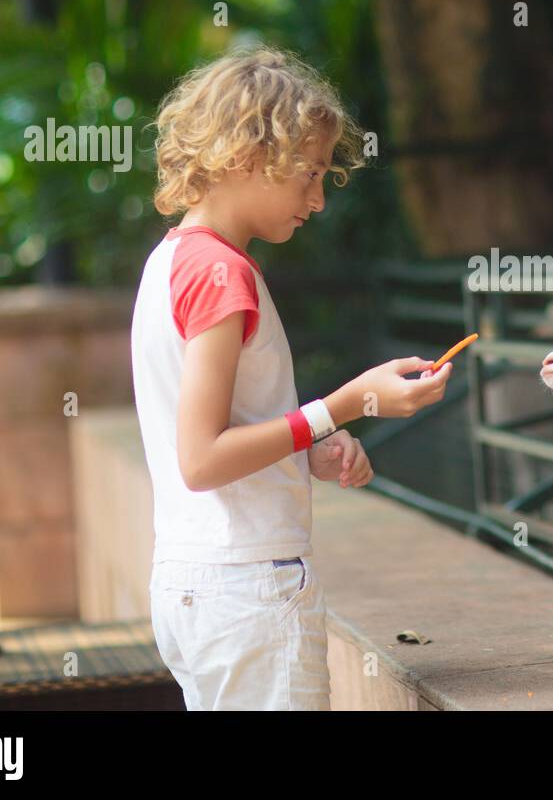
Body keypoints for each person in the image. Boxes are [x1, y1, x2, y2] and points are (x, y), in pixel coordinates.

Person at [131, 47, 452, 709]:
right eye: (307, 173)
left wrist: (306, 453)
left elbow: (214, 435)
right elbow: (201, 459)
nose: (317, 200)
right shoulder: (224, 274)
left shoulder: (173, 262)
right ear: (244, 157)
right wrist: (343, 406)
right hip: (249, 588)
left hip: (197, 582)